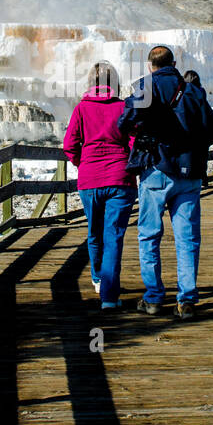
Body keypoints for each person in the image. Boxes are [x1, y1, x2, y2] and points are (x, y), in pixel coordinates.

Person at [118, 46, 213, 321]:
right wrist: (193, 149)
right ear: (174, 63)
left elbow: (124, 122)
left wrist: (142, 132)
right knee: (187, 237)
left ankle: (153, 298)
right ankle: (186, 300)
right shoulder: (192, 90)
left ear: (150, 64)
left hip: (155, 169)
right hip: (189, 174)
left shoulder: (145, 87)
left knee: (149, 234)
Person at [63, 62, 136, 310]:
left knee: (94, 232)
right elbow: (135, 141)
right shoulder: (123, 107)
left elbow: (69, 144)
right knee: (113, 236)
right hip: (120, 178)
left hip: (89, 180)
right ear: (114, 82)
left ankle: (97, 279)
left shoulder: (81, 109)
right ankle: (109, 297)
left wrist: (82, 163)